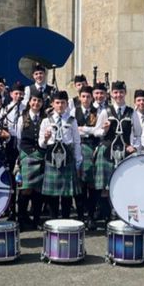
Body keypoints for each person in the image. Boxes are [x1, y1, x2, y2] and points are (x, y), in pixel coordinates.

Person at [92, 81, 136, 229]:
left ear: (125, 93)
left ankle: (121, 217)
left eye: (121, 92)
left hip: (125, 154)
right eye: (115, 92)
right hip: (106, 153)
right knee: (105, 188)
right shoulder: (106, 111)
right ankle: (106, 219)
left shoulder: (132, 112)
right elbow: (96, 131)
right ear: (111, 94)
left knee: (124, 187)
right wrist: (104, 130)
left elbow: (138, 134)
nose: (118, 95)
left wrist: (133, 146)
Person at [38, 91, 81, 219]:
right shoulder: (46, 121)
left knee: (67, 194)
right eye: (57, 103)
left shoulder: (72, 121)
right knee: (53, 195)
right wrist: (46, 139)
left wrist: (78, 161)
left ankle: (66, 219)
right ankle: (53, 220)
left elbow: (77, 142)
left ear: (67, 104)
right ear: (52, 104)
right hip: (51, 159)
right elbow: (41, 144)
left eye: (63, 103)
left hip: (68, 159)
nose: (60, 105)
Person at [74, 85, 106, 229]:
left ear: (92, 98)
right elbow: (74, 131)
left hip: (94, 148)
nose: (86, 99)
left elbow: (99, 131)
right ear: (79, 97)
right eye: (83, 96)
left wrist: (85, 129)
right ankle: (81, 216)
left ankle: (91, 216)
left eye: (88, 97)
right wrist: (89, 131)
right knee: (81, 184)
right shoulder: (74, 111)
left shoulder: (98, 111)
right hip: (79, 147)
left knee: (93, 185)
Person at [13, 91, 46, 229]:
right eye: (33, 100)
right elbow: (19, 139)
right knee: (25, 189)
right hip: (26, 155)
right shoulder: (22, 118)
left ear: (42, 103)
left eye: (39, 101)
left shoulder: (45, 118)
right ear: (29, 102)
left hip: (40, 156)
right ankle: (21, 219)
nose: (36, 103)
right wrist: (21, 156)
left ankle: (36, 220)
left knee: (38, 190)